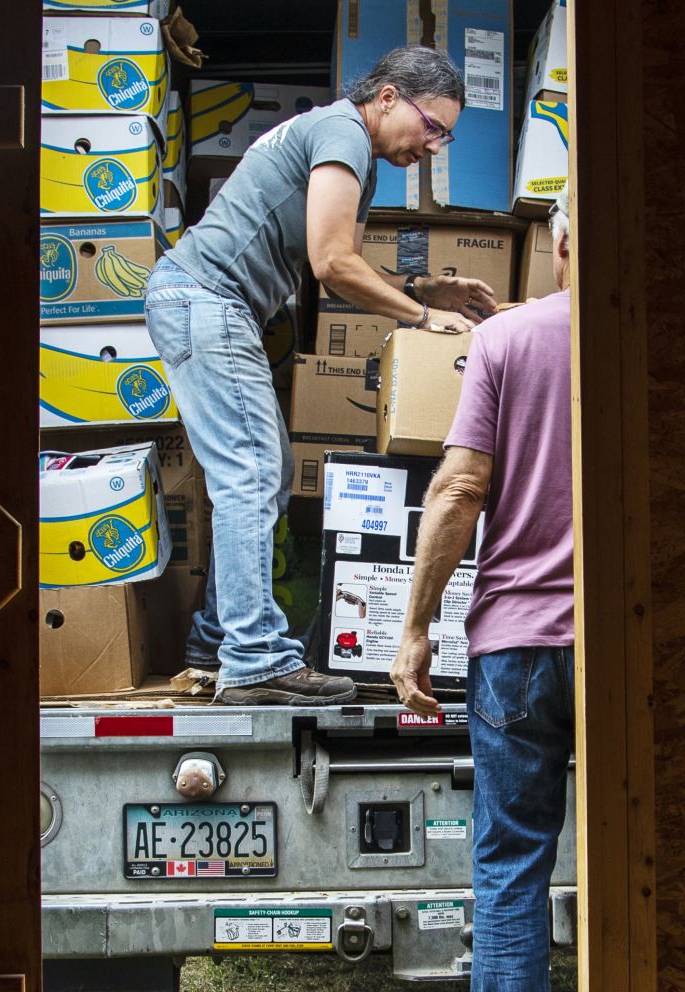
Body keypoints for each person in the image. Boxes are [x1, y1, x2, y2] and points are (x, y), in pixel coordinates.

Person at [144, 47, 498, 706]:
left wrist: (429, 290)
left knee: (263, 471)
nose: (434, 144)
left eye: (444, 135)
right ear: (387, 97)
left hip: (209, 305)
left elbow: (338, 265)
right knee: (250, 471)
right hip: (206, 299)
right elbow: (333, 263)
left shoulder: (352, 158)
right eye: (431, 126)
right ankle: (254, 658)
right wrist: (424, 318)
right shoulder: (342, 133)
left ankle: (215, 641)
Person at [389, 196, 574, 992]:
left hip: (515, 647)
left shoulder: (506, 341)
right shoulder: (657, 335)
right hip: (623, 642)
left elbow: (460, 487)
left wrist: (416, 628)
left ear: (559, 247)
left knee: (510, 861)